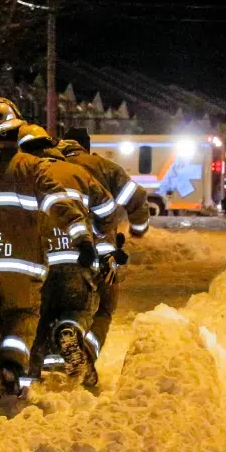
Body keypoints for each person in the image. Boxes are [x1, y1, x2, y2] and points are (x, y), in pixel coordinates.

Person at [0, 97, 95, 403]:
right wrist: (82, 238)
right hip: (21, 266)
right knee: (22, 316)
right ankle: (12, 364)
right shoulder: (32, 168)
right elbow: (58, 203)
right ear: (16, 132)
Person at [18, 123, 117, 389]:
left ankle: (27, 383)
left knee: (33, 320)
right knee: (76, 308)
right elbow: (108, 211)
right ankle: (70, 330)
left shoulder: (20, 175)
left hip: (35, 262)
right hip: (75, 257)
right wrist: (104, 250)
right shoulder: (79, 174)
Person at [58, 130, 149, 355]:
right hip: (103, 251)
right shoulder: (103, 167)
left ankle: (55, 352)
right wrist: (138, 229)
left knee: (59, 302)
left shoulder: (49, 168)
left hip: (57, 249)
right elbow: (135, 197)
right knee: (106, 305)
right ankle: (88, 348)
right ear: (86, 147)